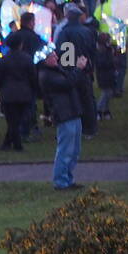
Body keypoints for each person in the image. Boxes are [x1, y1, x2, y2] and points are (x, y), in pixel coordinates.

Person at [40, 49, 90, 190]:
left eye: (55, 54)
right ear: (45, 60)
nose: (56, 57)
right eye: (52, 56)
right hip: (64, 114)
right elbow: (68, 83)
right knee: (66, 150)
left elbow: (72, 81)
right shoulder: (47, 75)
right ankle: (61, 181)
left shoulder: (56, 71)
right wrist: (78, 69)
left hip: (72, 112)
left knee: (74, 150)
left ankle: (67, 178)